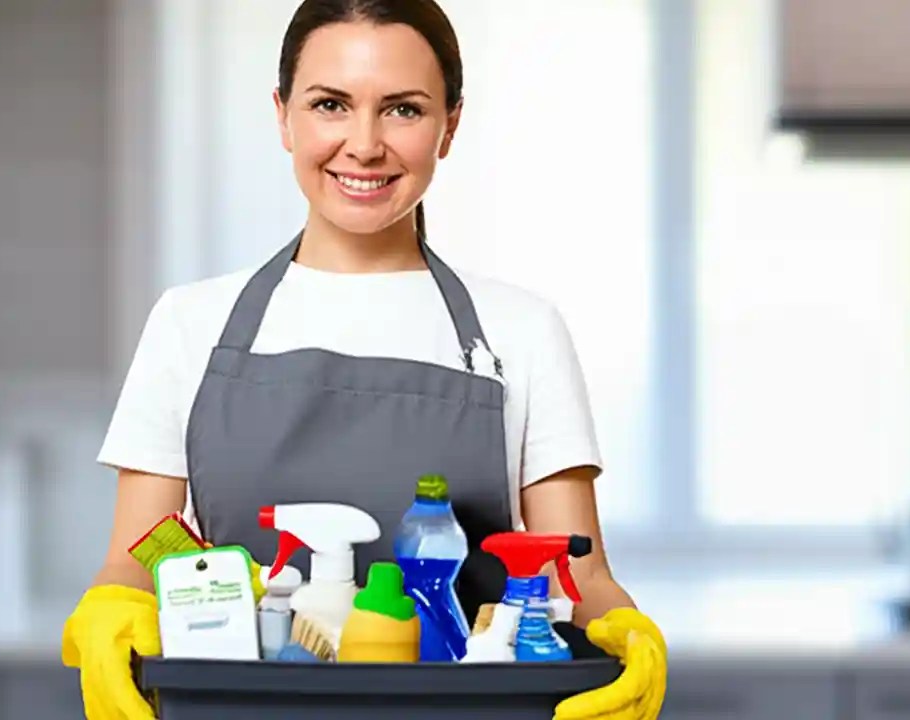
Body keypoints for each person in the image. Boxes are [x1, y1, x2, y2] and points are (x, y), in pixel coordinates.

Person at [62, 1, 666, 718]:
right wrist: (110, 613)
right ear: (284, 116)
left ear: (450, 126)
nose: (364, 143)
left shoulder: (521, 331)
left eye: (403, 110)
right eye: (330, 104)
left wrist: (624, 635)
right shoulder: (190, 324)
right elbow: (138, 554)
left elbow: (581, 571)